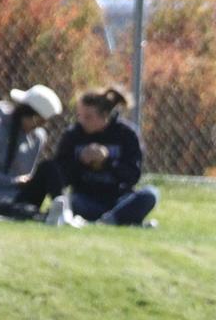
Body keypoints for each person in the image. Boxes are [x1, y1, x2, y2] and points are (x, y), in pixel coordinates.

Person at [47, 86, 159, 228]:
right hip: (85, 199)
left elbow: (132, 176)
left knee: (150, 194)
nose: (82, 121)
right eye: (80, 115)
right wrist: (80, 161)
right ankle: (120, 220)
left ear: (105, 115)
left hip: (118, 200)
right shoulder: (73, 135)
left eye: (88, 117)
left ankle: (110, 220)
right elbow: (60, 177)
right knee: (70, 202)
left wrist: (107, 162)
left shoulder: (126, 134)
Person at [0, 84, 64, 219]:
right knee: (17, 210)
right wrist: (13, 181)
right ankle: (39, 216)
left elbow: (29, 173)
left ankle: (63, 211)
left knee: (49, 167)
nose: (40, 127)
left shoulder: (37, 136)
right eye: (39, 121)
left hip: (20, 196)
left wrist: (25, 182)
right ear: (29, 115)